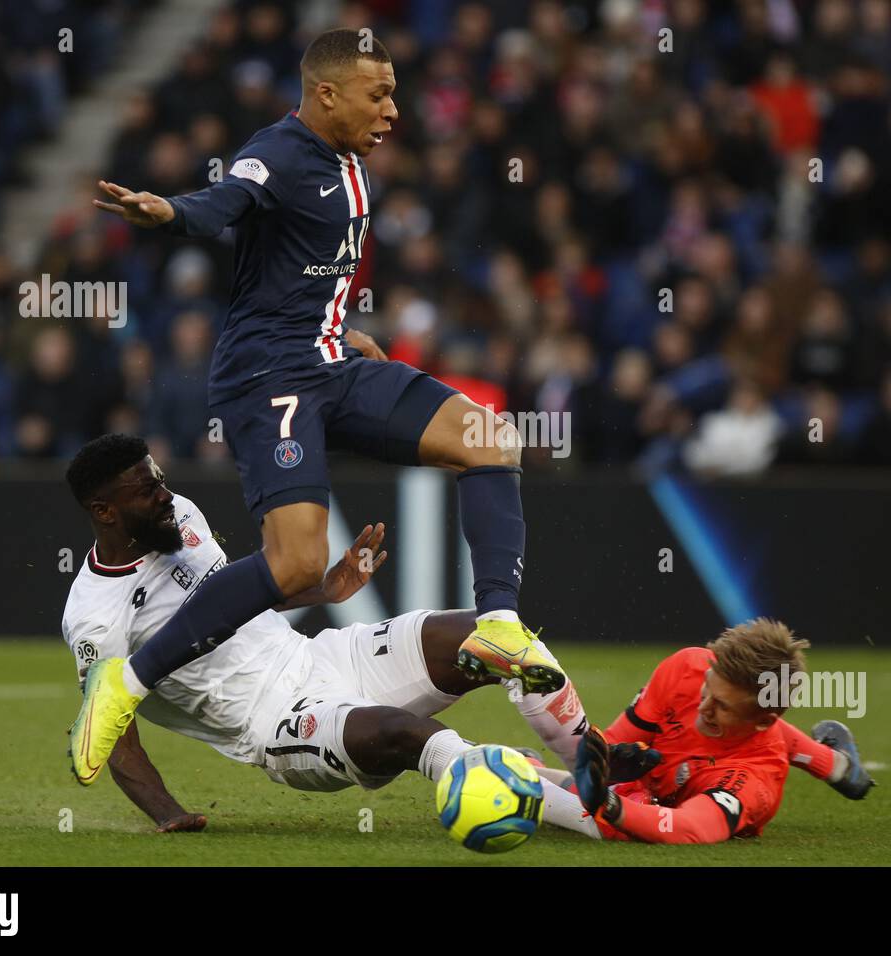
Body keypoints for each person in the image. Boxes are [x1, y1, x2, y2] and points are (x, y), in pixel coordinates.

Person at [73, 29, 561, 785]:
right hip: (268, 376)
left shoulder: (349, 162)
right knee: (297, 565)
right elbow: (226, 201)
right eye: (379, 94)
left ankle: (497, 620)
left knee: (490, 438)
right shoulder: (280, 151)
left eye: (394, 93)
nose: (394, 111)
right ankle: (125, 683)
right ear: (326, 93)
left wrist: (339, 328)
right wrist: (171, 213)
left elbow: (298, 270)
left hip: (328, 357)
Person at [61, 434, 604, 835]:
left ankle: (597, 766)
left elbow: (231, 599)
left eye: (159, 478)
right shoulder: (94, 616)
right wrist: (168, 813)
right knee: (404, 732)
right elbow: (112, 730)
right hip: (272, 721)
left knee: (486, 636)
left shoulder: (180, 514)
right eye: (145, 490)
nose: (163, 494)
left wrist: (321, 591)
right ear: (104, 511)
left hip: (318, 654)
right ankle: (595, 817)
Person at [548, 619, 876, 843]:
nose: (702, 708)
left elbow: (692, 828)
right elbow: (612, 741)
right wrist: (608, 761)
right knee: (603, 786)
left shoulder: (753, 781)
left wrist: (607, 801)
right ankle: (838, 766)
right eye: (707, 689)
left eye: (722, 705)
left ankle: (837, 764)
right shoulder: (688, 668)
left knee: (621, 812)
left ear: (764, 719)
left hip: (709, 774)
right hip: (666, 776)